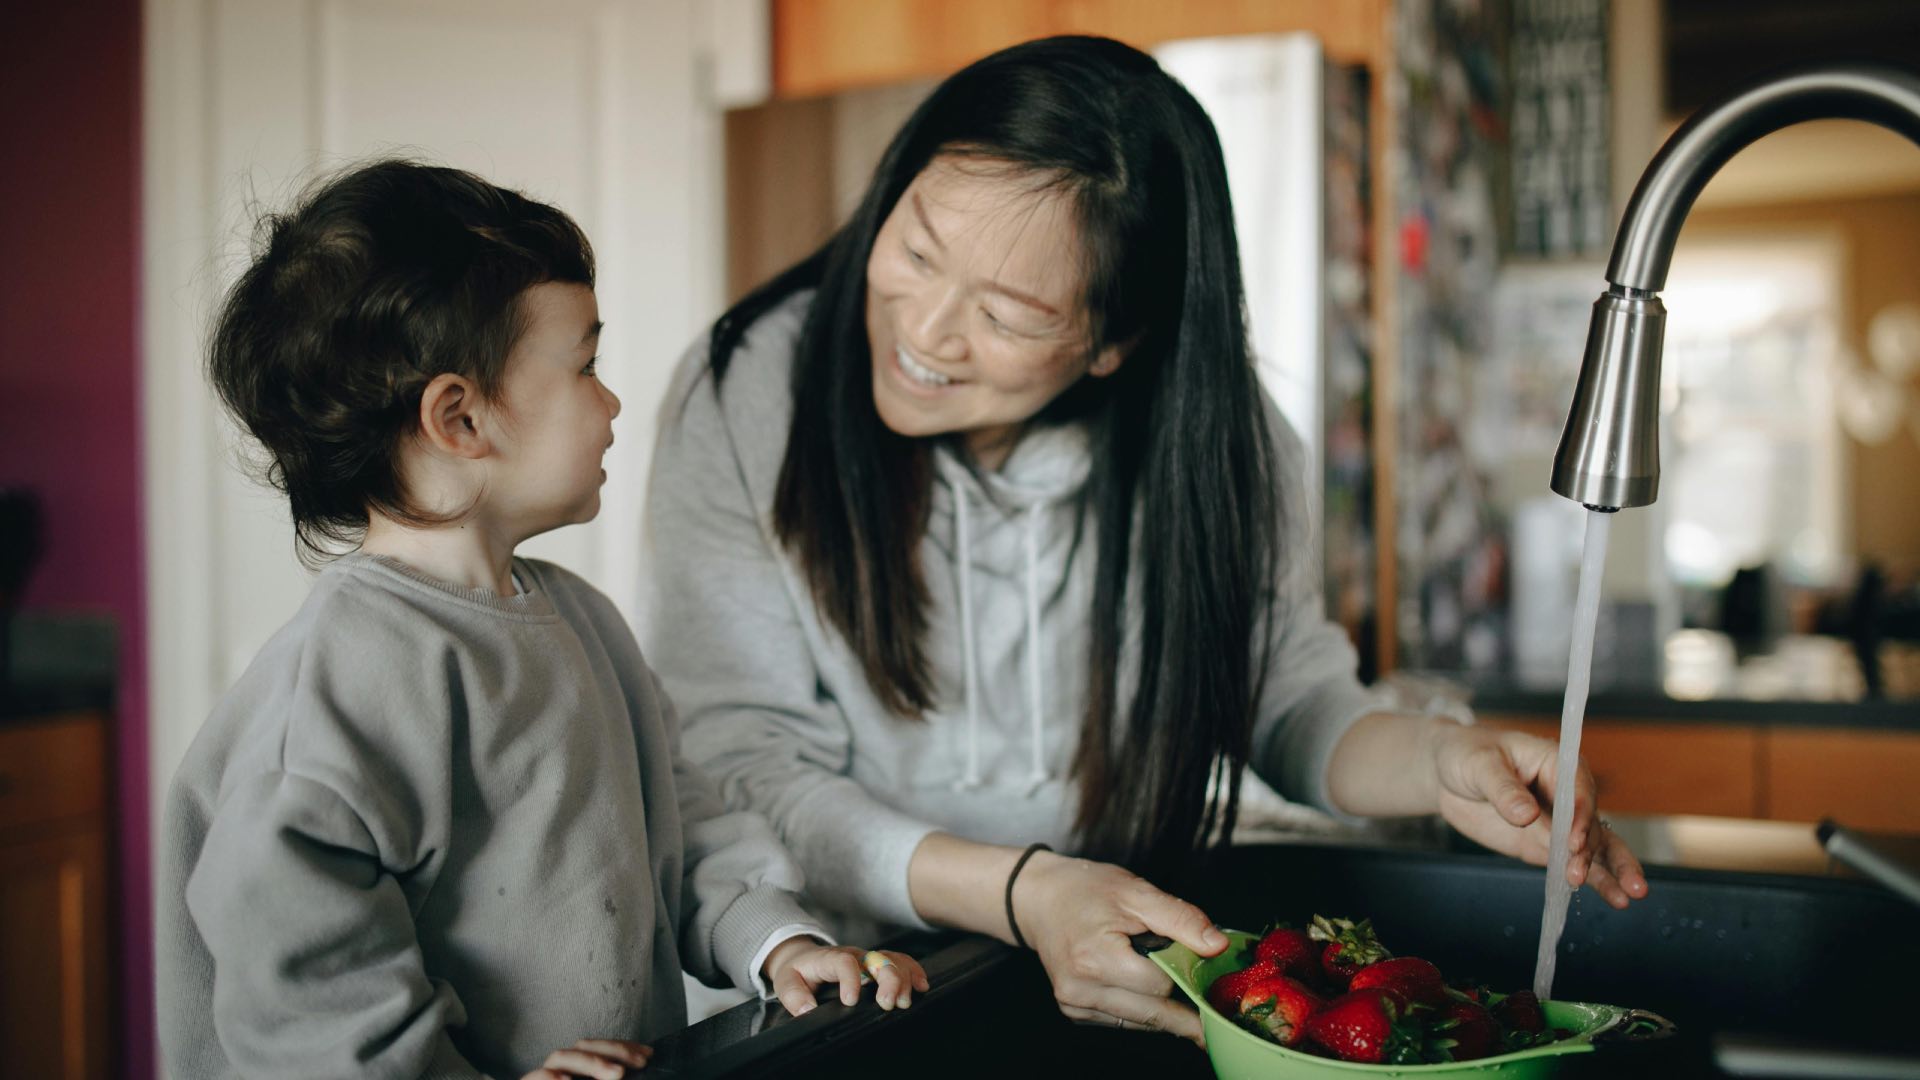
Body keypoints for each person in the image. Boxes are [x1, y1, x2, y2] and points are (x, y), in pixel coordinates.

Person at [643, 36, 1647, 1045]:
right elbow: (740, 766)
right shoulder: (748, 396)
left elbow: (1288, 700)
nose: (926, 332)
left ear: (1114, 342)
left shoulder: (1222, 440)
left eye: (1005, 313)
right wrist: (1024, 891)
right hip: (841, 988)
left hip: (1096, 957)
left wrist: (1442, 762)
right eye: (914, 251)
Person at [156, 160, 928, 1080]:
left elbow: (682, 821)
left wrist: (773, 942)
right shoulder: (349, 675)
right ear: (460, 418)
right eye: (585, 365)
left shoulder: (583, 623)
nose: (609, 402)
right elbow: (304, 972)